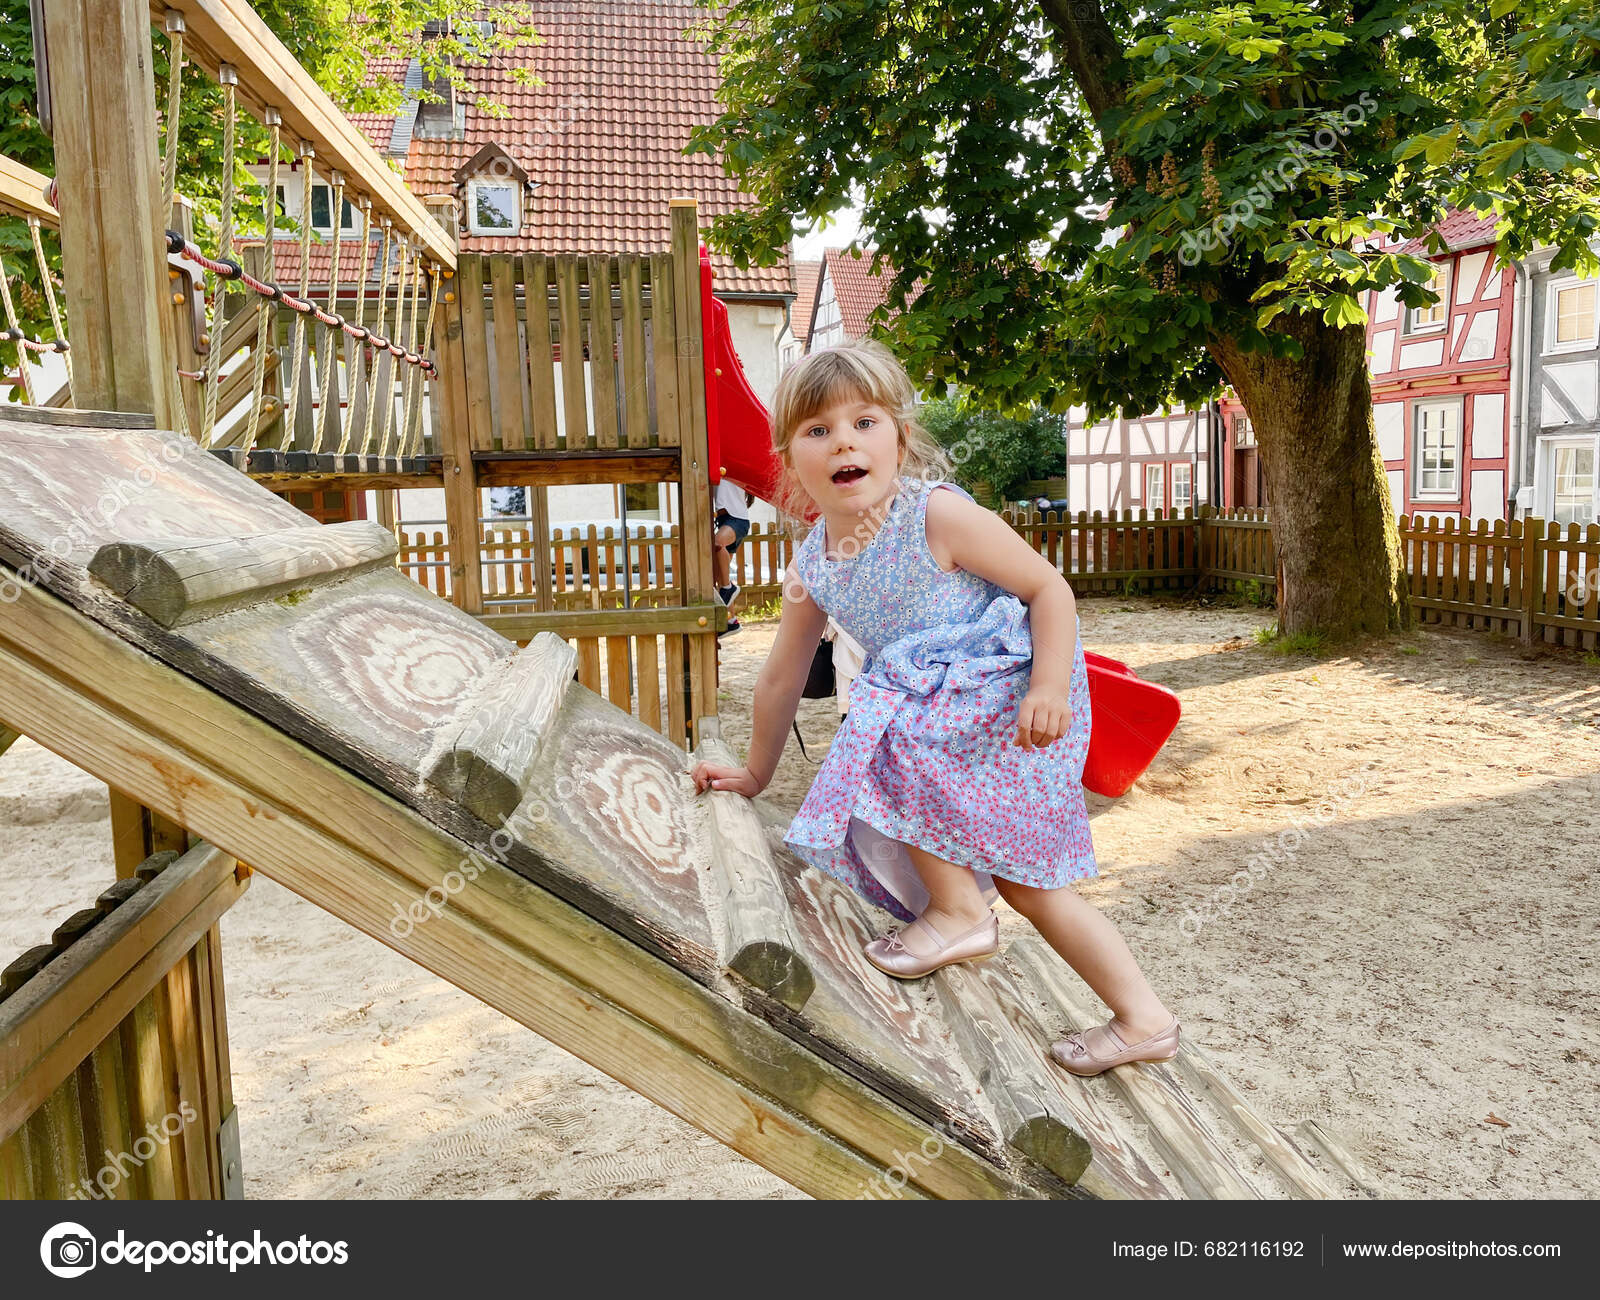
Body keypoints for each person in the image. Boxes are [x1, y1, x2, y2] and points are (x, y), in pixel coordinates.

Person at [689, 338, 1178, 1076]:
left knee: (893, 732)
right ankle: (1142, 1018)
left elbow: (1048, 589)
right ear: (789, 461)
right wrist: (757, 773)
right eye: (819, 430)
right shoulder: (815, 561)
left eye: (865, 423)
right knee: (1026, 882)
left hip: (1012, 693)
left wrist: (1049, 687)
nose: (844, 442)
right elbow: (782, 674)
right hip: (940, 707)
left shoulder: (936, 515)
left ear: (901, 438)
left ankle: (958, 913)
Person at [711, 475, 751, 636]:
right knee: (721, 574)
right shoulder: (720, 471)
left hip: (736, 521)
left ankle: (729, 587)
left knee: (717, 543)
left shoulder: (731, 470)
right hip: (725, 521)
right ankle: (731, 621)